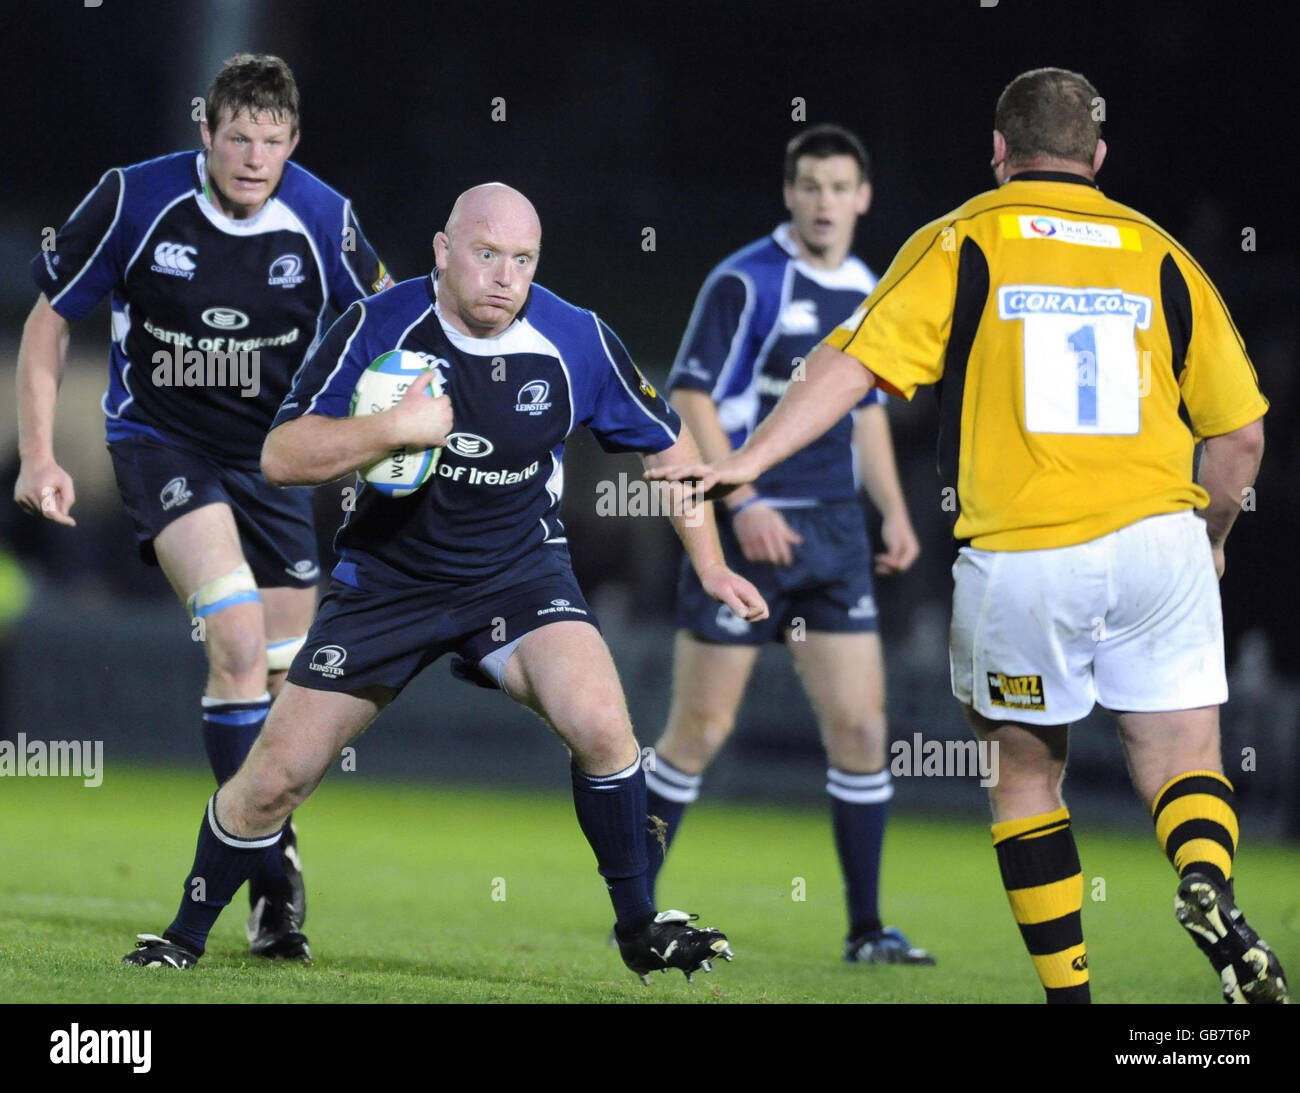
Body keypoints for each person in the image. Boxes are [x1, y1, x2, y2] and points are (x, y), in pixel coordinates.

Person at [648, 68, 1288, 1004]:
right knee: (1184, 757)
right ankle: (1205, 880)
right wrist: (1215, 535)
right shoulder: (1162, 253)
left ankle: (1072, 997)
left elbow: (853, 363)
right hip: (1163, 543)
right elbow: (1241, 437)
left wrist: (749, 457)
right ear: (1098, 158)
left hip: (1026, 554)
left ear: (998, 152)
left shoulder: (965, 236)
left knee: (1027, 771)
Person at [118, 182, 768, 982]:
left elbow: (667, 450)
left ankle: (639, 925)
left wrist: (710, 562)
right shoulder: (376, 324)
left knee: (604, 725)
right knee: (274, 779)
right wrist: (395, 428)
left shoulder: (577, 339)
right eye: (487, 254)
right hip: (387, 582)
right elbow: (282, 455)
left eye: (522, 260)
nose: (504, 276)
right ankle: (181, 936)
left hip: (518, 577)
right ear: (442, 250)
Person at [15, 54, 394, 963]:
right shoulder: (133, 201)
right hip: (162, 444)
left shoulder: (325, 218)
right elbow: (48, 319)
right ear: (207, 132)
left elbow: (389, 324)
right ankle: (269, 880)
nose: (254, 157)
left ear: (293, 143)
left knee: (289, 686)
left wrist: (391, 436)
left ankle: (272, 841)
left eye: (272, 141)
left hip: (275, 460)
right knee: (232, 637)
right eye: (237, 138)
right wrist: (38, 454)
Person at [645, 125, 932, 965]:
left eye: (840, 186)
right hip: (749, 533)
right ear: (789, 192)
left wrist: (895, 510)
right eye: (810, 185)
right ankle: (635, 902)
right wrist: (744, 500)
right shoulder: (746, 280)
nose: (824, 201)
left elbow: (867, 408)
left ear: (863, 196)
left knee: (861, 725)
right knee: (699, 727)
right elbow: (690, 393)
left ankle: (868, 930)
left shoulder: (870, 287)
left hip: (837, 533)